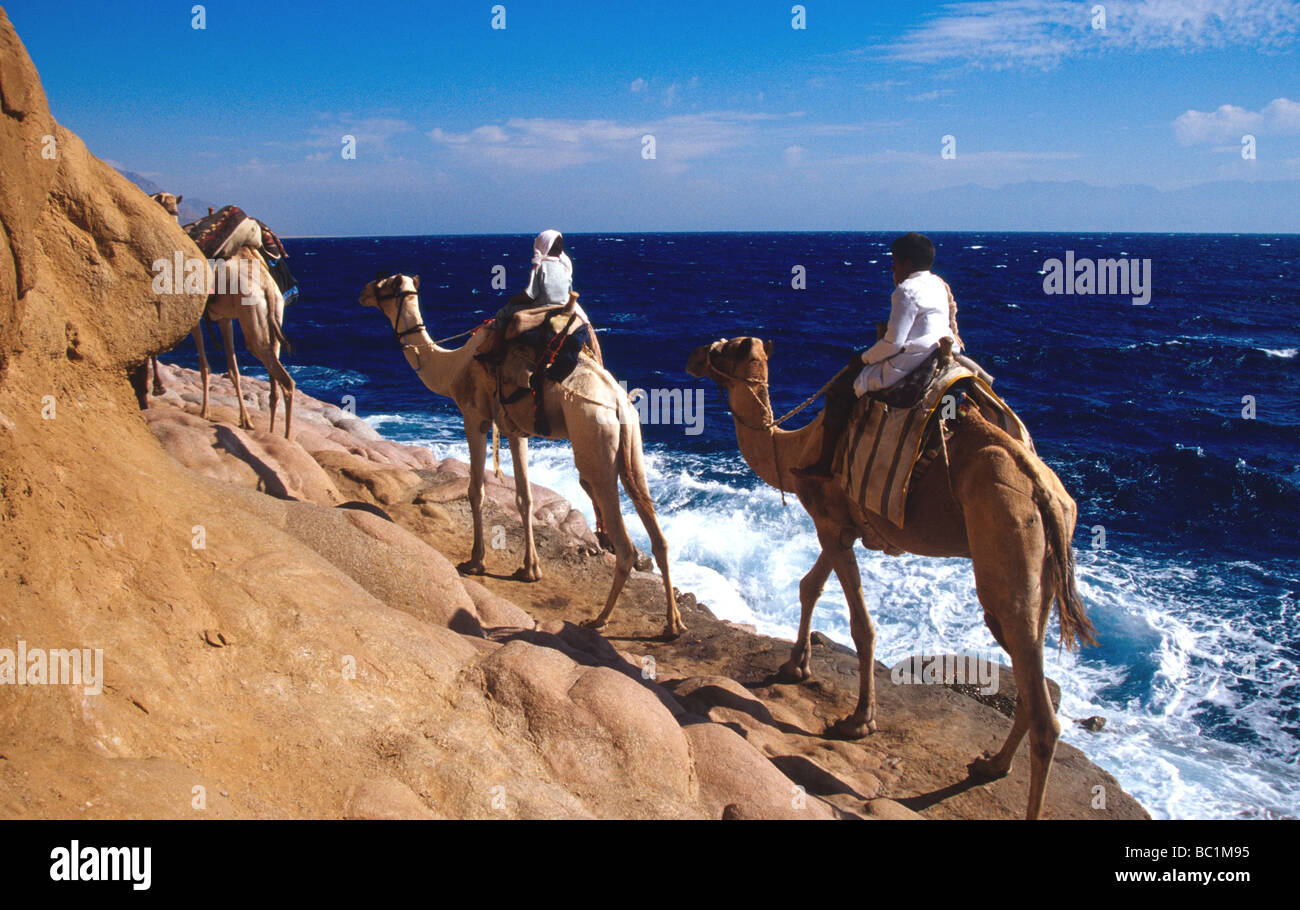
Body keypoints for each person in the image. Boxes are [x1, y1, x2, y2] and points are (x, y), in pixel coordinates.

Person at [792, 232, 957, 479]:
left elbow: (893, 343)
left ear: (906, 263)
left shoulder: (906, 291)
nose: (893, 268)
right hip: (940, 354)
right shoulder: (938, 284)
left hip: (914, 361)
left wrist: (863, 359)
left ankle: (825, 464)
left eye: (895, 262)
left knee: (840, 392)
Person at [475, 229, 603, 368]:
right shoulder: (565, 268)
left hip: (542, 307)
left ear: (542, 246)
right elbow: (569, 292)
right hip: (563, 307)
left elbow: (531, 295)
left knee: (503, 313)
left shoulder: (540, 267)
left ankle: (495, 352)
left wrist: (514, 300)